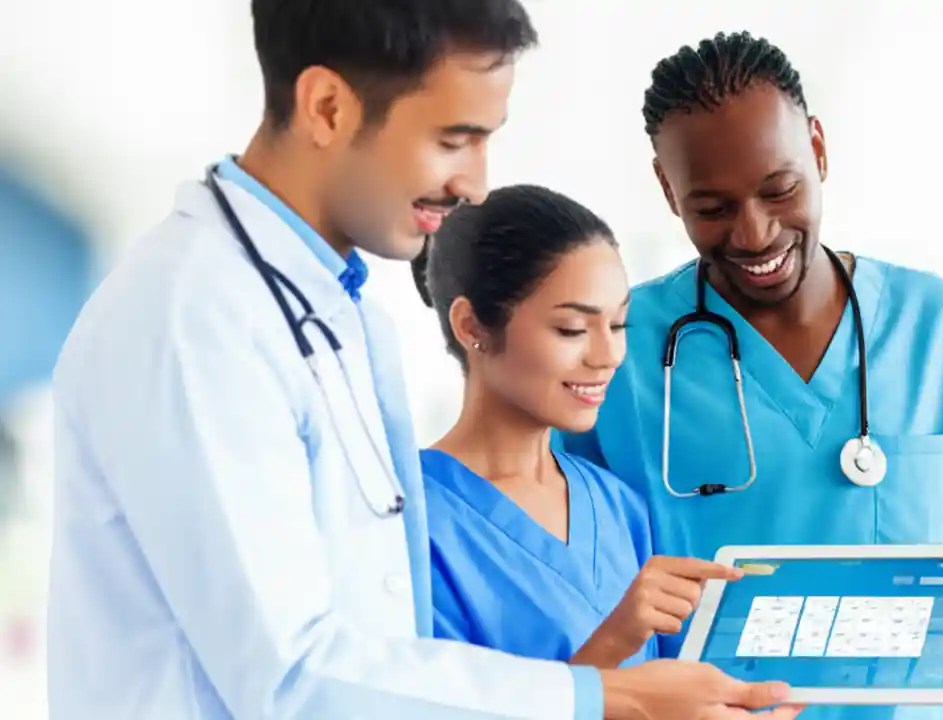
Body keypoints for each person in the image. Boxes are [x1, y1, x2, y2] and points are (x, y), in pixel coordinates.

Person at [46, 4, 797, 717]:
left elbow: (377, 650)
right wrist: (611, 698)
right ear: (327, 108)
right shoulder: (195, 316)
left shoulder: (331, 312)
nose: (474, 183)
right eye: (453, 140)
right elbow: (292, 679)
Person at [559, 30, 943, 719]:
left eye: (779, 190)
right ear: (668, 188)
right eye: (712, 208)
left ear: (817, 148)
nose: (754, 234)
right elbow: (575, 574)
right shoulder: (617, 351)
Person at [412, 183, 747, 670]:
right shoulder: (412, 524)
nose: (608, 356)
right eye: (571, 329)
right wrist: (613, 642)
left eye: (617, 325)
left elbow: (656, 693)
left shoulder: (617, 506)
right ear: (472, 326)